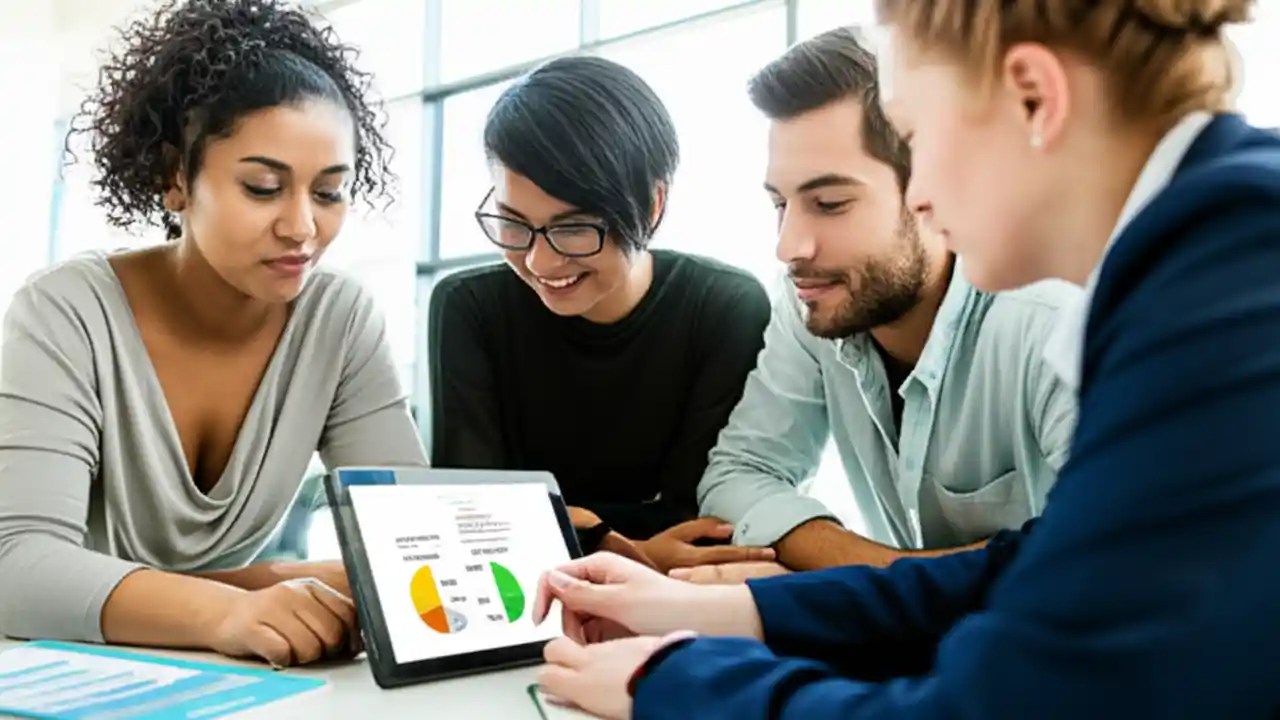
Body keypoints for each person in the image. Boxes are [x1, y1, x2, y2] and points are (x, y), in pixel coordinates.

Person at [533, 0, 1280, 716]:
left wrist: (677, 681)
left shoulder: (1231, 283)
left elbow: (1012, 703)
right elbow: (1027, 565)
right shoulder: (1204, 249)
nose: (920, 195)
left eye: (917, 137)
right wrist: (728, 610)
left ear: (1034, 98)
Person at [0, 0, 427, 668]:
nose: (301, 228)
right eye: (263, 187)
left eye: (328, 193)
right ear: (176, 177)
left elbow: (410, 543)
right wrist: (232, 608)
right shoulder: (67, 312)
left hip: (218, 679)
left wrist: (261, 591)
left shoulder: (340, 321)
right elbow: (16, 568)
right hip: (53, 677)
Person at [678, 28, 1077, 585]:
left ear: (935, 190)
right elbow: (738, 476)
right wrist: (882, 575)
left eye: (829, 203)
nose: (788, 247)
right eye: (780, 204)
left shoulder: (1055, 322)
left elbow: (1107, 558)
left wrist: (877, 588)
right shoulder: (815, 301)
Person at [428, 56, 775, 573]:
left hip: (678, 597)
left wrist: (561, 525)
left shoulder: (724, 308)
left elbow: (699, 518)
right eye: (512, 223)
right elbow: (472, 516)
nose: (539, 262)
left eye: (573, 229)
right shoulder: (470, 307)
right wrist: (612, 543)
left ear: (652, 205)